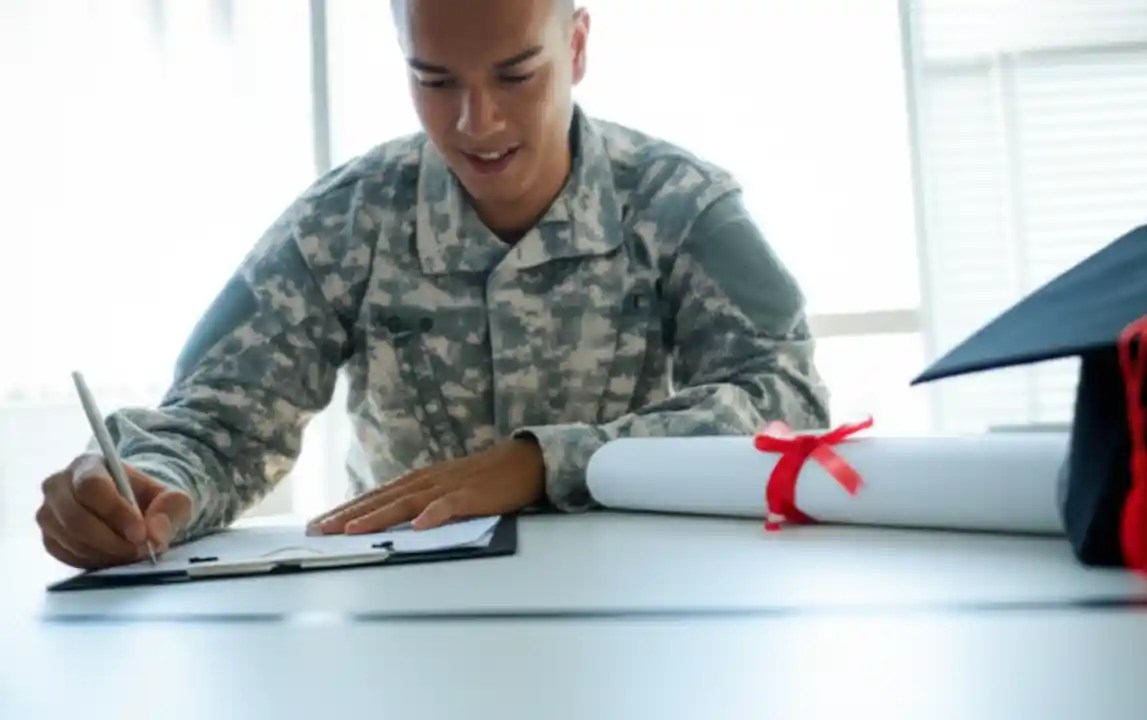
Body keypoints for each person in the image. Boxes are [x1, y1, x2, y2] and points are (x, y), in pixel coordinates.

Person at [34, 0, 830, 569]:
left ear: (578, 47)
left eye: (516, 74)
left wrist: (542, 464)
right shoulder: (342, 223)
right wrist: (146, 491)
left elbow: (787, 403)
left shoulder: (682, 205)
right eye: (435, 80)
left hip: (644, 598)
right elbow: (215, 426)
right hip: (405, 615)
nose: (474, 122)